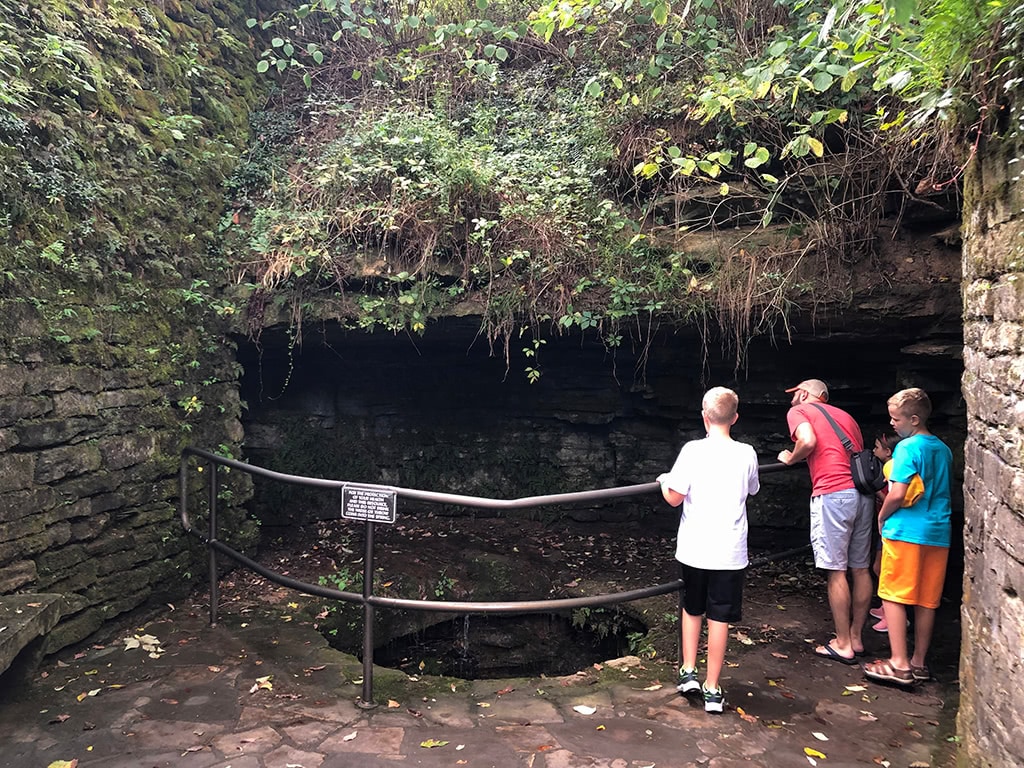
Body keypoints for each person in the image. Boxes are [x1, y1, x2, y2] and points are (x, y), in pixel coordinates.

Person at [657, 387, 760, 714]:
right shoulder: (747, 453)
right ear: (735, 418)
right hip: (729, 551)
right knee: (720, 617)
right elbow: (752, 488)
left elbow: (674, 496)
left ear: (704, 416)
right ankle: (713, 689)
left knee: (692, 608)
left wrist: (663, 481)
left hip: (695, 548)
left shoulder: (692, 450)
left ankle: (688, 670)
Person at [776, 378, 875, 664]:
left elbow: (808, 441)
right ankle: (855, 637)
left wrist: (791, 458)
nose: (792, 399)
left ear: (806, 394)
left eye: (795, 393)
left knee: (836, 570)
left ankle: (842, 643)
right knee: (860, 568)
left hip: (833, 493)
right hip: (861, 494)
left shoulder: (800, 411)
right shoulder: (847, 417)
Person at [863, 388, 952, 687]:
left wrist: (881, 515)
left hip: (906, 533)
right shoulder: (943, 449)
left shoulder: (907, 448)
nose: (891, 424)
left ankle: (899, 664)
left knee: (893, 594)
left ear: (913, 419)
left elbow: (898, 493)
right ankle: (919, 663)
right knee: (927, 600)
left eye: (895, 419)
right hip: (938, 533)